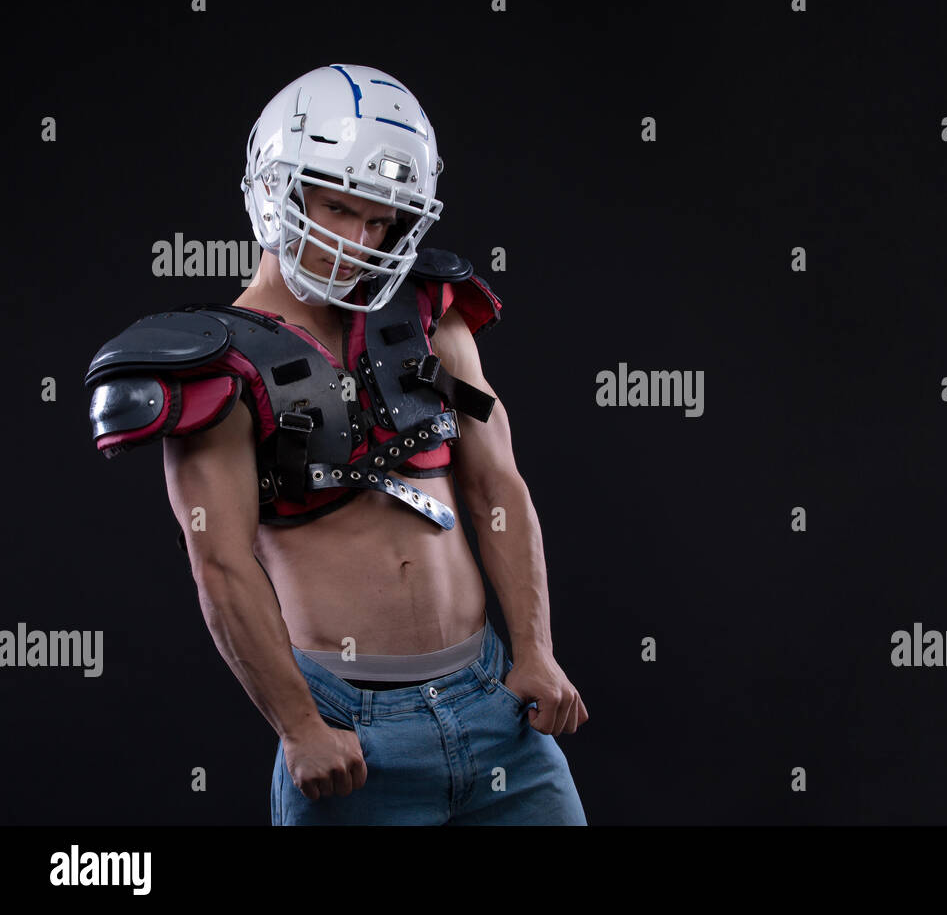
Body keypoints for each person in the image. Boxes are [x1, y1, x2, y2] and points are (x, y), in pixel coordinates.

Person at [84, 64, 588, 824]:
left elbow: (499, 488)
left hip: (495, 701)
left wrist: (536, 650)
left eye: (382, 220)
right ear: (277, 192)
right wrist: (298, 727)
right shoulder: (213, 369)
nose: (360, 242)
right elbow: (220, 565)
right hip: (351, 733)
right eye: (340, 209)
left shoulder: (427, 315)